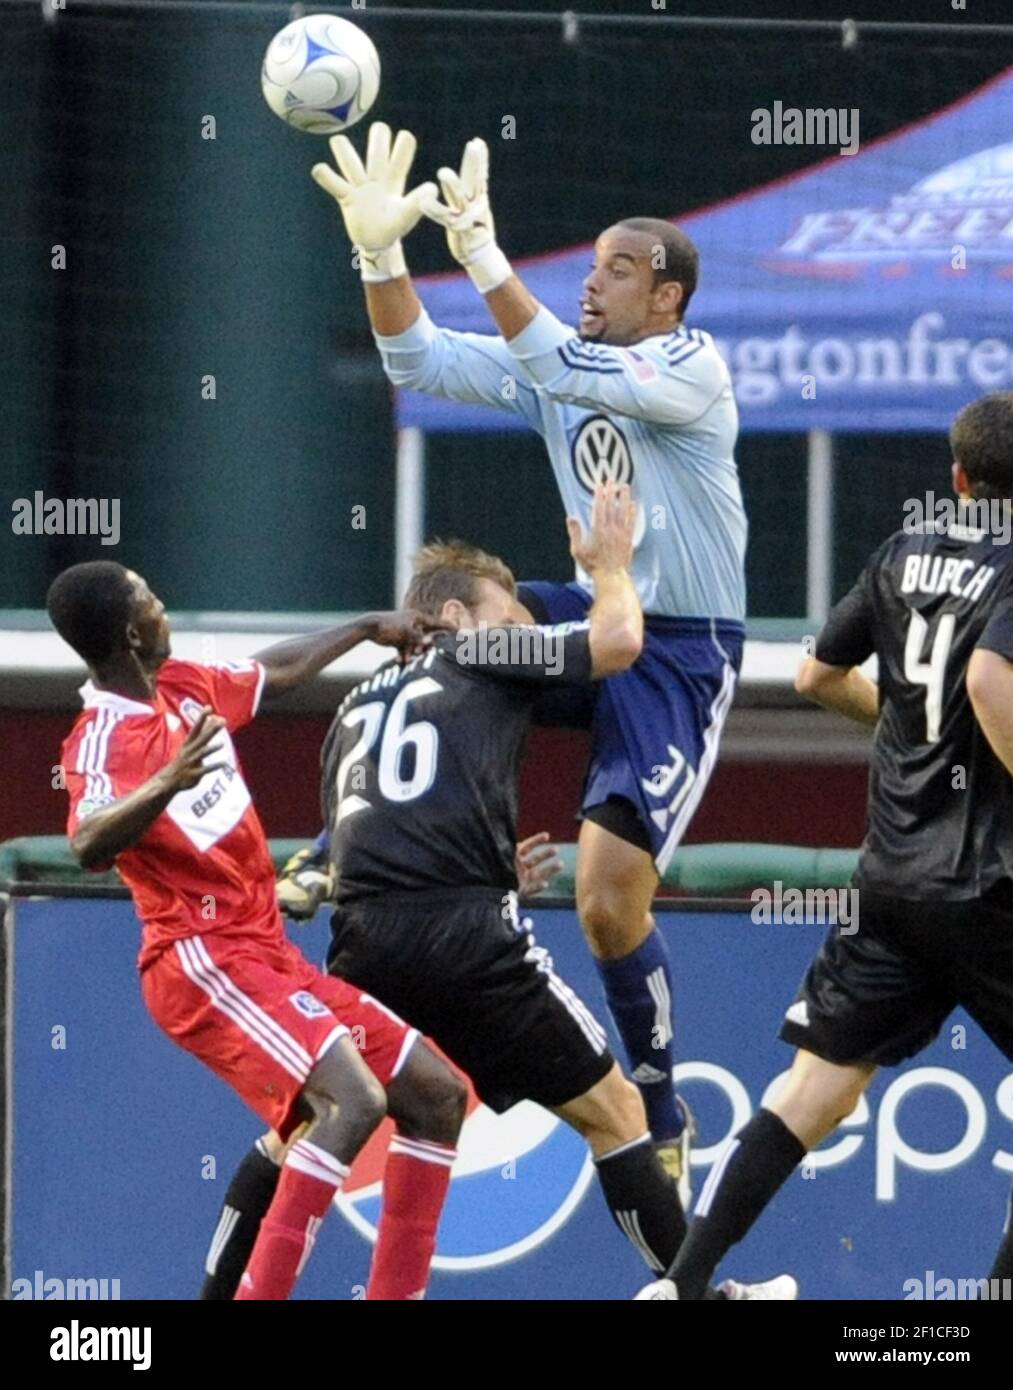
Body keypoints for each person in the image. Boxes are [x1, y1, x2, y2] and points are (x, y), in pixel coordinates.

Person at [298, 123, 748, 1194]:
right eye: (588, 265)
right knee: (452, 627)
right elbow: (414, 356)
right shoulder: (556, 362)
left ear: (669, 296)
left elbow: (562, 357)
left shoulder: (690, 366)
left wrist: (487, 258)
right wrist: (379, 253)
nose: (593, 282)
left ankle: (658, 1094)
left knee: (604, 899)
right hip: (595, 598)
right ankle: (333, 845)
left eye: (618, 269)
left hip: (680, 646)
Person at [206, 484, 790, 1299]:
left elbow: (375, 831)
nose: (525, 630)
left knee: (301, 1127)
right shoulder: (479, 652)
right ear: (454, 619)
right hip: (469, 943)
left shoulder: (350, 707)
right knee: (617, 1113)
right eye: (510, 614)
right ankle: (702, 1296)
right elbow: (617, 642)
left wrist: (481, 858)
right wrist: (612, 566)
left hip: (365, 943)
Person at [636, 390, 1013, 1300]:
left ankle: (681, 1286)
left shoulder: (902, 551)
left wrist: (916, 734)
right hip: (997, 887)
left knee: (816, 1086)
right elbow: (992, 677)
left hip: (892, 881)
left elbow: (816, 673)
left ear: (957, 478)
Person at [48, 561, 467, 1301]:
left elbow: (277, 669)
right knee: (353, 1103)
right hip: (200, 960)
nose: (163, 602)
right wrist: (165, 782)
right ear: (129, 631)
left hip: (266, 953)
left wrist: (370, 627)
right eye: (150, 597)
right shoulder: (99, 737)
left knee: (435, 1095)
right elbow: (88, 842)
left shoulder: (182, 685)